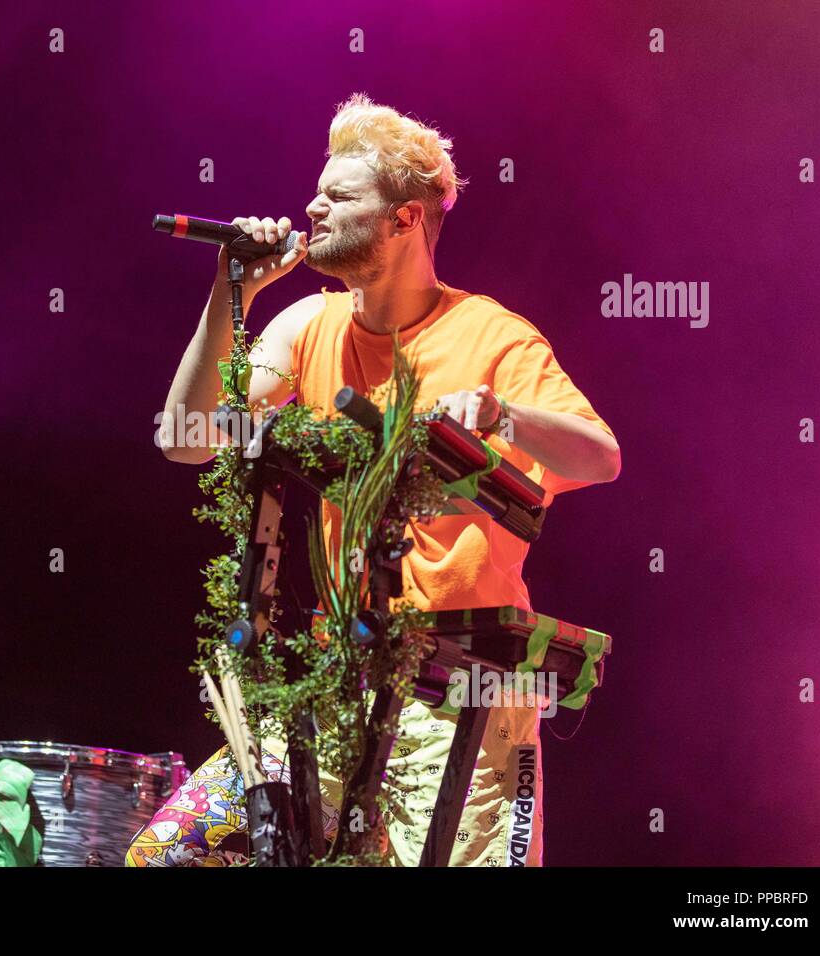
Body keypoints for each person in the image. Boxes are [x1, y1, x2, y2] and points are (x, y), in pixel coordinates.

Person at [126, 93, 620, 867]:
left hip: (465, 689)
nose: (312, 206)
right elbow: (185, 440)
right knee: (172, 853)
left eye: (339, 195)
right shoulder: (307, 325)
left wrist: (501, 414)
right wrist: (237, 290)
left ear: (405, 218)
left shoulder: (492, 335)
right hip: (339, 680)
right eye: (317, 191)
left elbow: (600, 456)